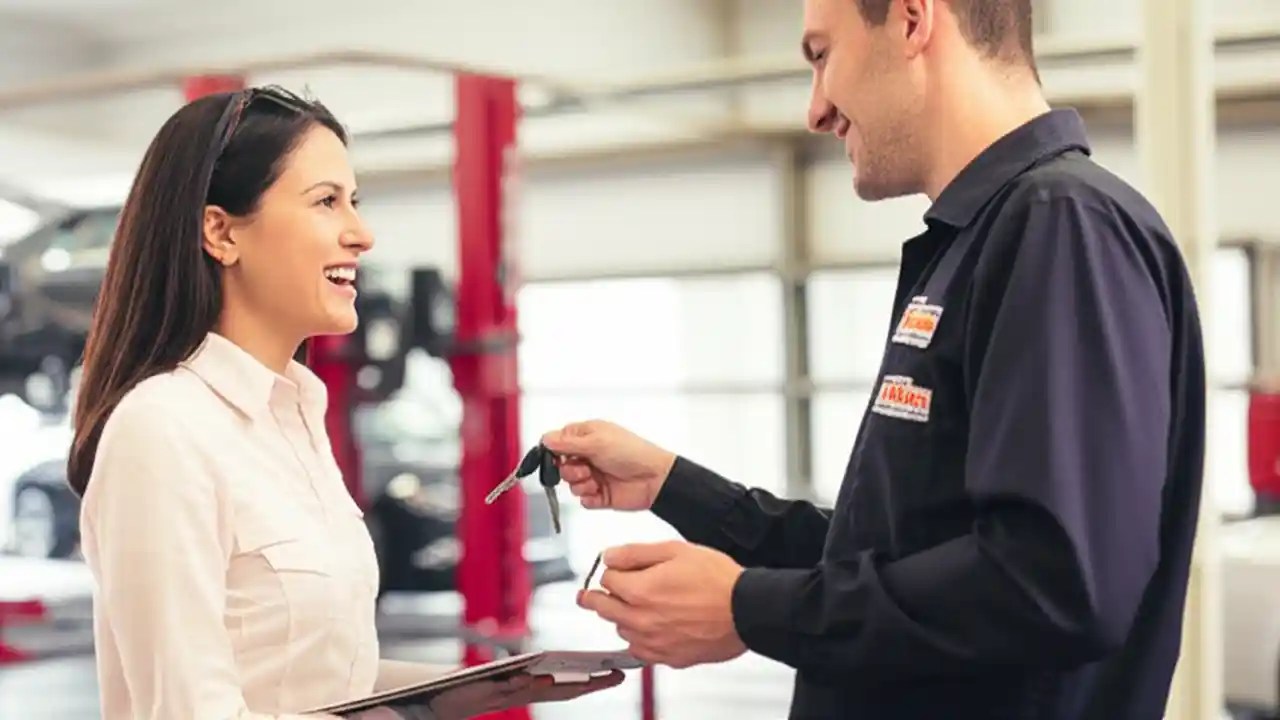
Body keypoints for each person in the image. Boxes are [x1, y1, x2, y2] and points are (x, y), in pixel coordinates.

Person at [542, 0, 1206, 718]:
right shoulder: (979, 243)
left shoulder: (1061, 225)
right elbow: (895, 558)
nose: (816, 110)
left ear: (915, 19)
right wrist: (678, 487)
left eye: (821, 55)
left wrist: (749, 608)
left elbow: (1052, 583)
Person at [68, 85, 622, 720]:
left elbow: (318, 675)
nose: (361, 234)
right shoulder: (161, 430)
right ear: (220, 232)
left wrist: (489, 684)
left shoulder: (294, 419)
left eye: (352, 202)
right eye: (326, 202)